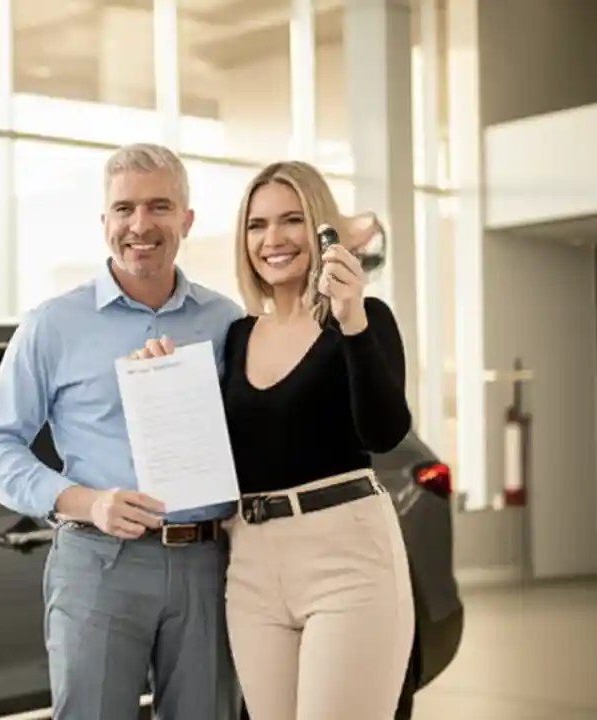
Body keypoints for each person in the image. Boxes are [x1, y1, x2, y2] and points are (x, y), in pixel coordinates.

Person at [0, 143, 243, 720]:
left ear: (186, 220)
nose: (140, 225)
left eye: (159, 207)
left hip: (208, 564)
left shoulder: (227, 323)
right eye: (124, 209)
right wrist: (87, 502)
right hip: (99, 563)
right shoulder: (54, 324)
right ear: (104, 223)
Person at [133, 160, 413, 719]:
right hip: (254, 563)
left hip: (346, 559)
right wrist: (161, 382)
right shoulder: (238, 335)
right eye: (257, 225)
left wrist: (351, 319)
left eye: (292, 221)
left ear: (321, 230)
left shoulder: (364, 319)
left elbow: (384, 432)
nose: (274, 239)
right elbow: (218, 455)